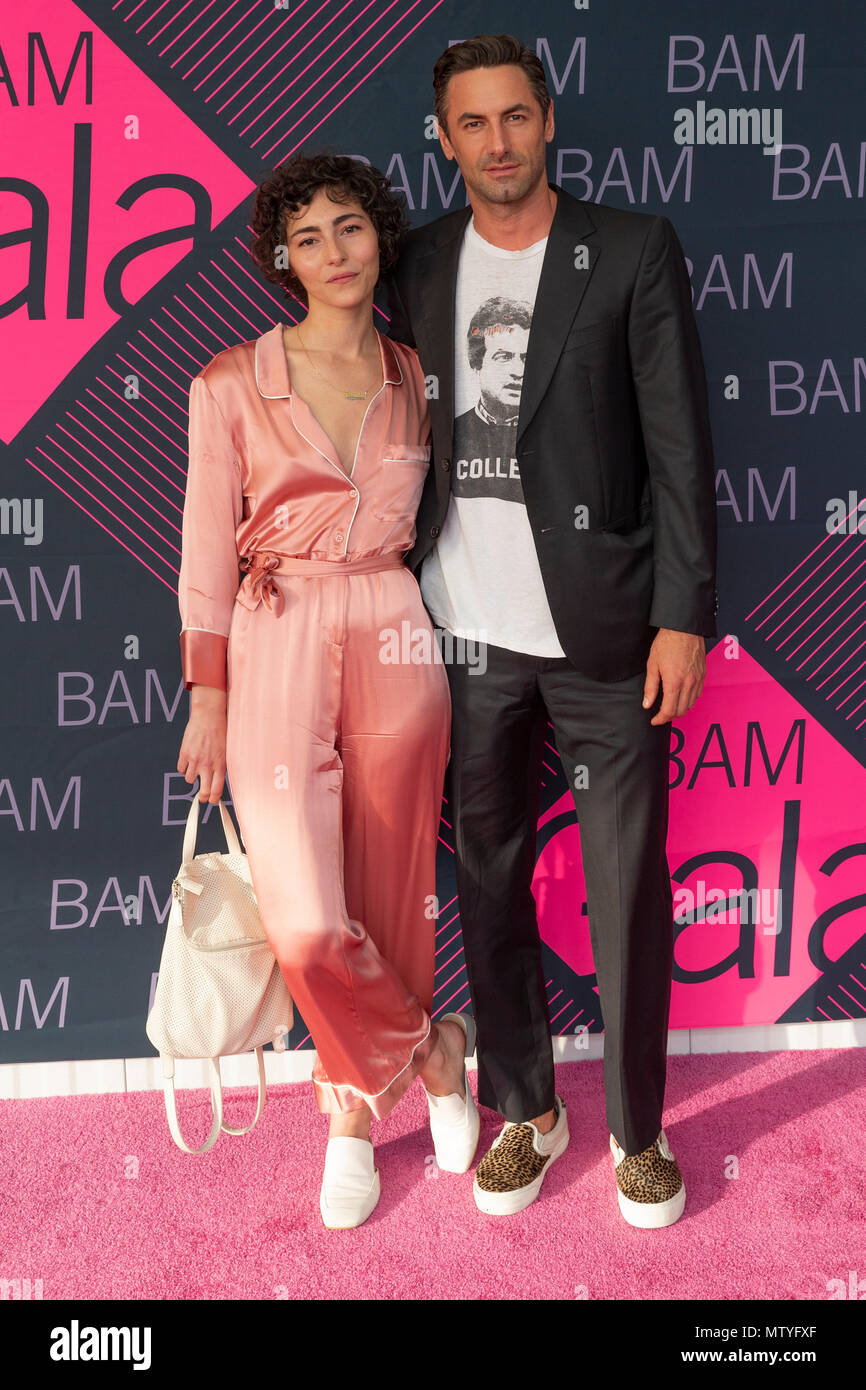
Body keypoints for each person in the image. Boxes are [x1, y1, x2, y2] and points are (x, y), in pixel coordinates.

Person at [386, 34, 719, 1227]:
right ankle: (529, 1106)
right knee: (487, 884)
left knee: (627, 889)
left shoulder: (627, 249)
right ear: (444, 140)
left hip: (603, 636)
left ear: (547, 121)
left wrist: (679, 618)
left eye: (514, 117)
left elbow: (680, 446)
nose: (497, 143)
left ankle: (637, 1129)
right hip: (465, 641)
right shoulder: (418, 263)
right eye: (471, 125)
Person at [175, 153, 481, 1230]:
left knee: (391, 900)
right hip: (274, 631)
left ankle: (350, 1120)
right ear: (282, 259)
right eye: (307, 237)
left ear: (377, 238)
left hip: (394, 626)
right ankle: (438, 1056)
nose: (333, 252)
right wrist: (206, 691)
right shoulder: (227, 383)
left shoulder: (418, 376)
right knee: (305, 922)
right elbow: (206, 554)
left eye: (348, 228)